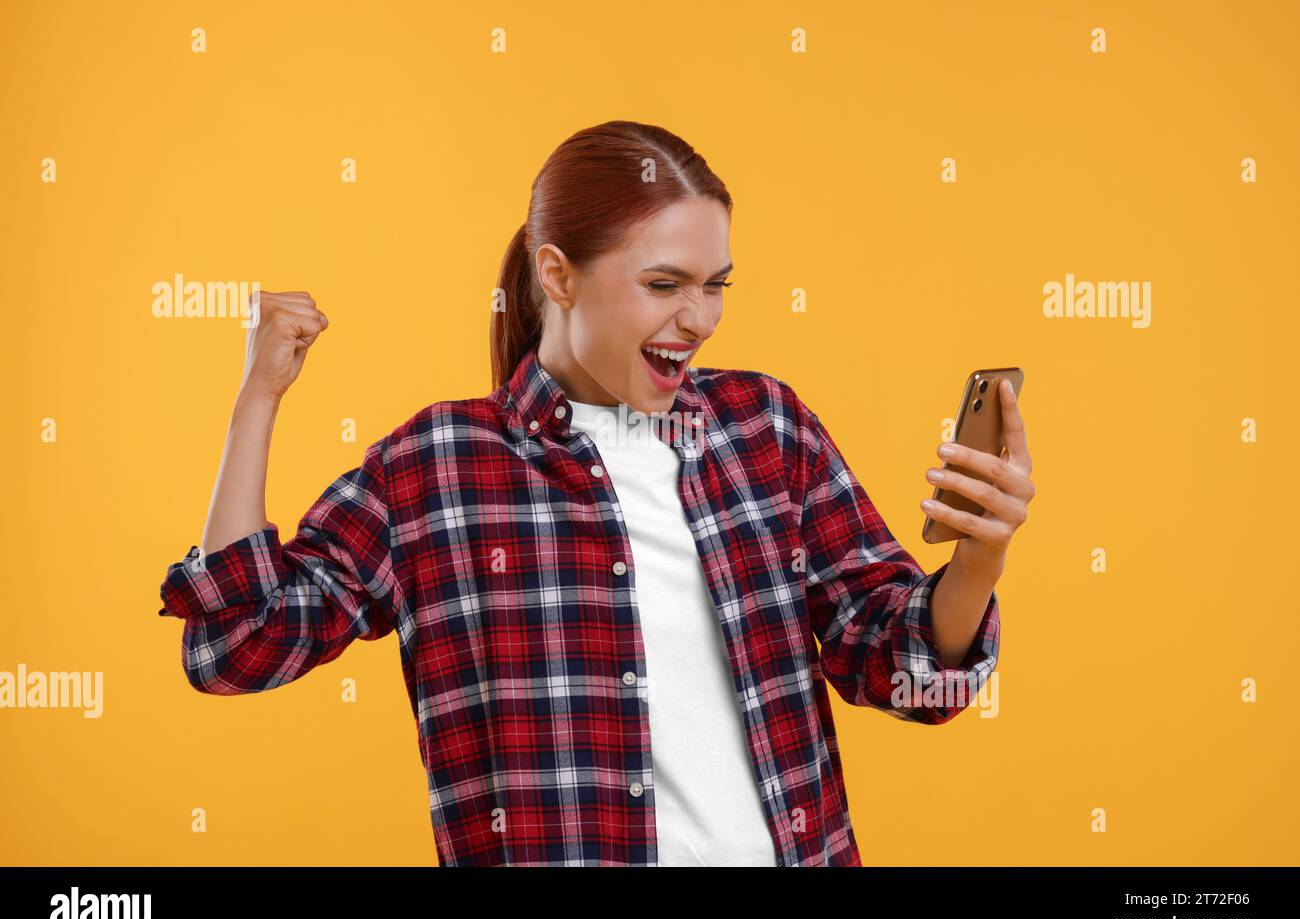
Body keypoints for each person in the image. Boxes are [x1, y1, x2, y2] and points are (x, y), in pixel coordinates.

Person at [158, 119, 1035, 866]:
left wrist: (978, 560)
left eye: (715, 286)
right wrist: (257, 400)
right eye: (664, 285)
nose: (699, 319)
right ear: (558, 274)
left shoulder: (766, 428)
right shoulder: (439, 466)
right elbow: (237, 646)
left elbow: (899, 666)